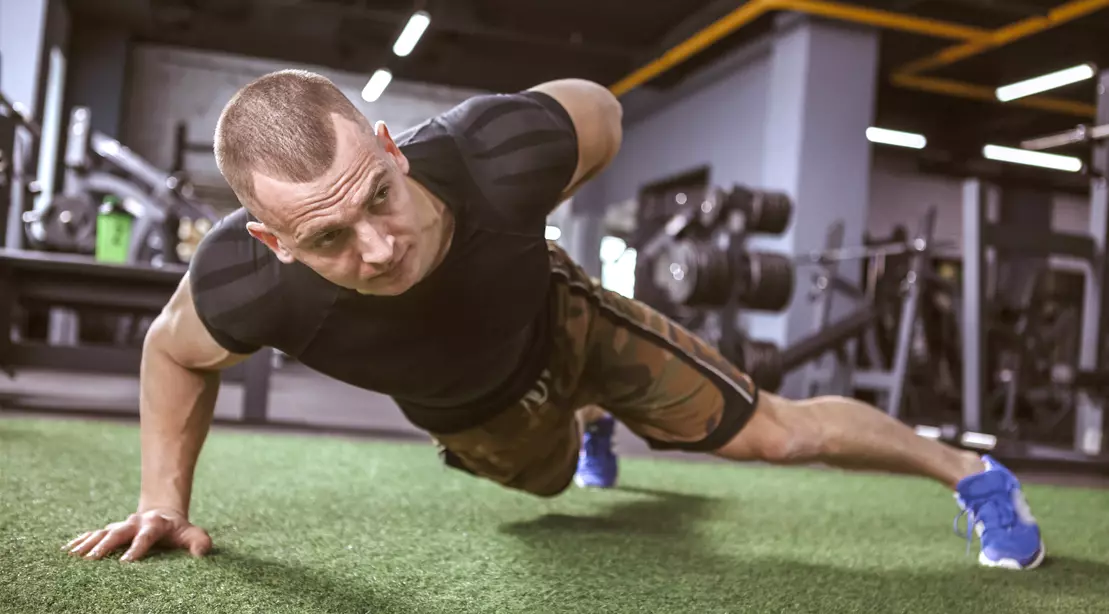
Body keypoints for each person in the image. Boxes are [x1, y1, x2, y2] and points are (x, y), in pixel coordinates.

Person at [62, 70, 1044, 571]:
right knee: (543, 495)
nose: (374, 247)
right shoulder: (244, 283)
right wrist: (165, 499)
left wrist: (522, 221)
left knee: (773, 433)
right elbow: (171, 351)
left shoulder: (494, 150)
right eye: (324, 239)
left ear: (392, 147)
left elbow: (601, 114)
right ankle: (587, 425)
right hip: (474, 406)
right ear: (273, 242)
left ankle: (972, 473)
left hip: (562, 313)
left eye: (376, 197)